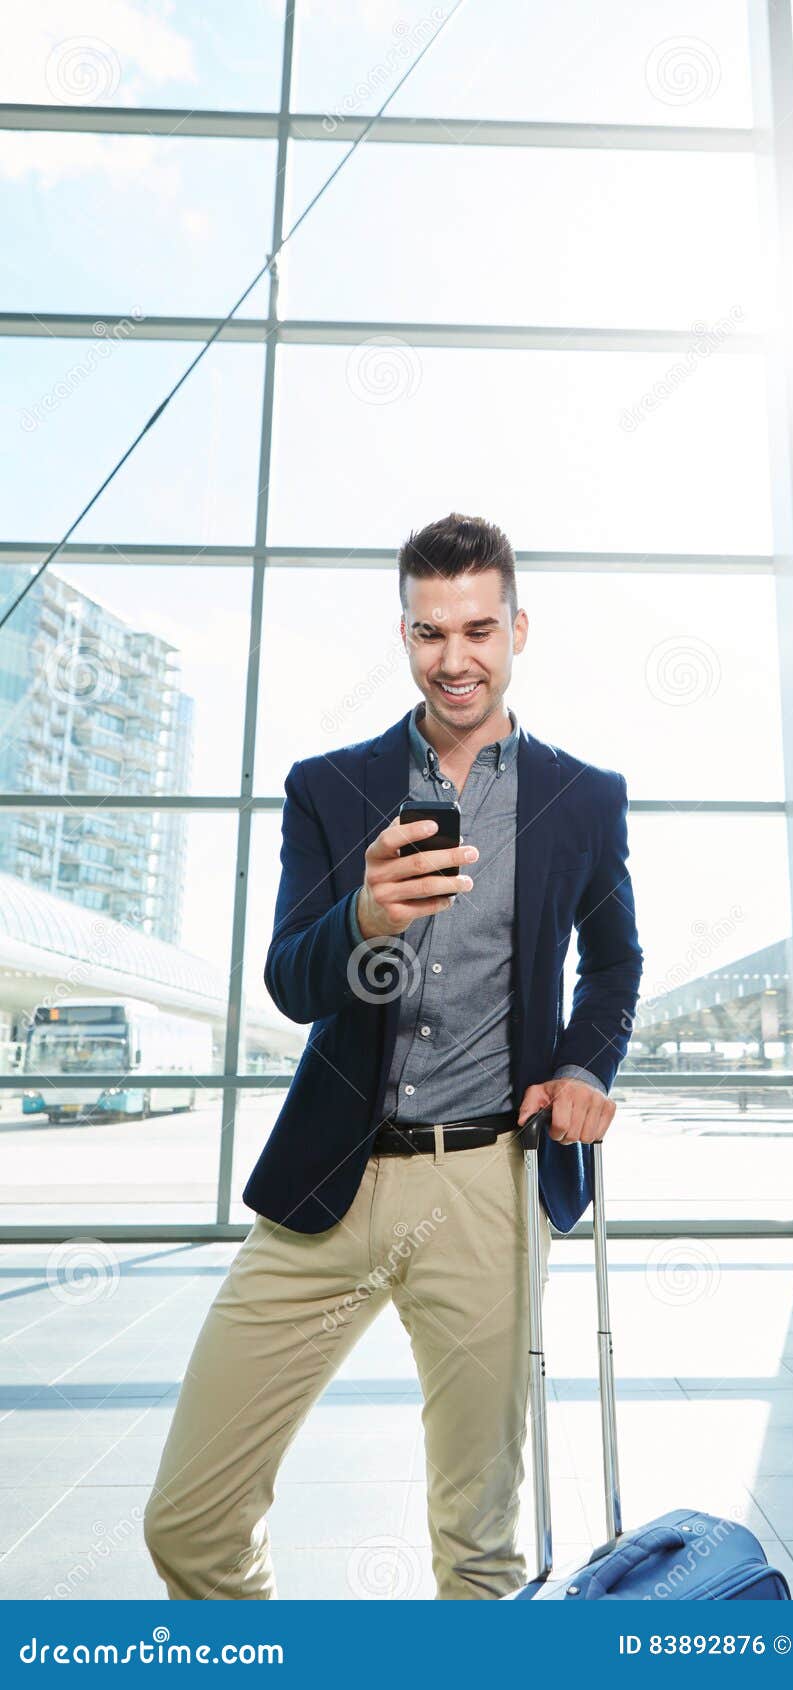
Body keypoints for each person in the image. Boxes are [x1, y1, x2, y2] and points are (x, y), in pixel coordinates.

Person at [143, 511, 643, 1600]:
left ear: (517, 628)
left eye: (475, 629)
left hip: (487, 1188)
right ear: (404, 635)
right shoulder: (329, 787)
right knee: (189, 1522)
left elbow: (612, 963)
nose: (452, 658)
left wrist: (585, 1066)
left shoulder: (580, 798)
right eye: (428, 632)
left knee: (479, 1550)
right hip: (331, 1171)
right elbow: (289, 975)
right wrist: (363, 916)